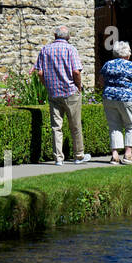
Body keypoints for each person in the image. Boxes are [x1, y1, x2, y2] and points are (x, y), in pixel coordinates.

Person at [33, 25, 90, 164]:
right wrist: (78, 86)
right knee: (75, 125)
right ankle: (79, 156)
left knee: (56, 127)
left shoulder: (45, 50)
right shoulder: (71, 49)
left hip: (54, 93)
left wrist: (46, 85)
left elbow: (39, 72)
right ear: (68, 37)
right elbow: (76, 72)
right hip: (70, 92)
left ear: (54, 36)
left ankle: (58, 158)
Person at [97, 41, 132, 165]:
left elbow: (101, 80)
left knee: (114, 125)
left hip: (109, 97)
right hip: (126, 98)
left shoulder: (108, 64)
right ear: (128, 54)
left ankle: (114, 156)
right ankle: (128, 155)